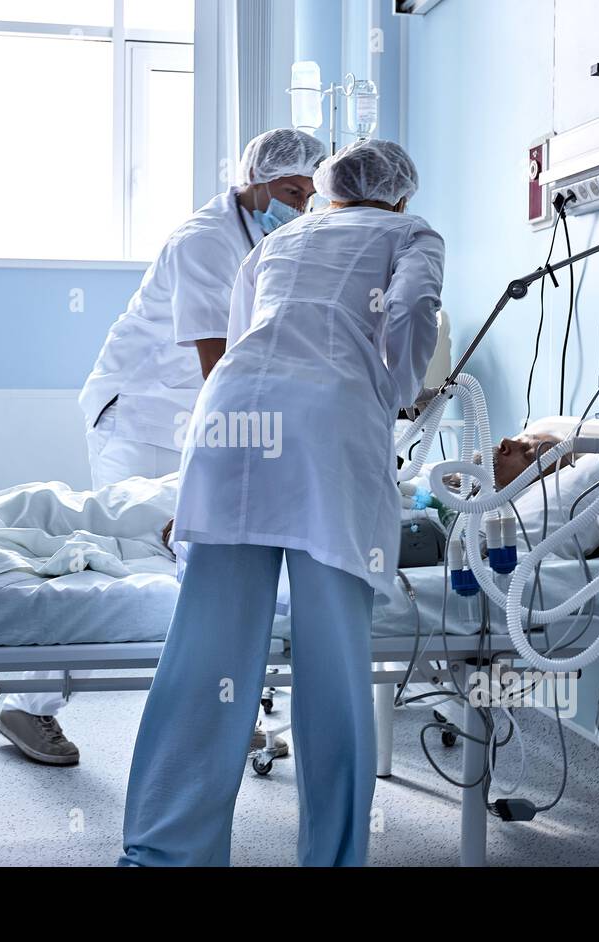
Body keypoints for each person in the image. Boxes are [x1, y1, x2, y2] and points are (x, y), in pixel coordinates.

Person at [119, 140, 445, 866]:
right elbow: (414, 306)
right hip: (324, 430)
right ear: (397, 195)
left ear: (330, 190)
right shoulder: (408, 232)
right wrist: (391, 392)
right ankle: (331, 857)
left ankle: (165, 854)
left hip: (232, 419)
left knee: (205, 654)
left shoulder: (283, 237)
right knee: (335, 661)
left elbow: (241, 336)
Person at [0, 129, 327, 767]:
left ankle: (218, 711)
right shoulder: (206, 241)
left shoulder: (269, 237)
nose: (300, 203)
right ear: (254, 177)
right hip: (142, 420)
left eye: (311, 194)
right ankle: (29, 706)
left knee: (201, 561)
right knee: (122, 567)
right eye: (290, 190)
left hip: (196, 420)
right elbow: (218, 366)